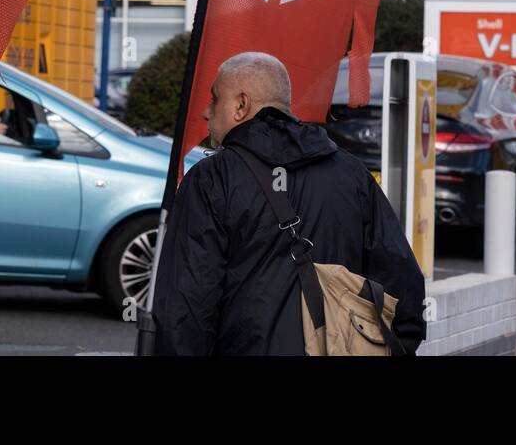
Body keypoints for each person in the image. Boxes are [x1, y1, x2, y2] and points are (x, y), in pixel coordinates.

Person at [153, 52, 426, 355]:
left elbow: (186, 306)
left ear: (241, 105)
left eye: (215, 99)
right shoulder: (351, 172)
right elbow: (403, 285)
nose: (206, 111)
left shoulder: (211, 180)